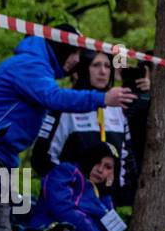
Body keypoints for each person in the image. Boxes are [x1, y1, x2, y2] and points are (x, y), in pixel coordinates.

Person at [0, 25, 134, 231]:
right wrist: (103, 98)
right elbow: (54, 98)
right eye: (74, 52)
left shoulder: (38, 67)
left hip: (3, 158)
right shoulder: (30, 65)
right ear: (60, 47)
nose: (76, 60)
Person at [33, 49, 136, 205]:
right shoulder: (65, 105)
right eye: (96, 65)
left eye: (108, 66)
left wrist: (120, 198)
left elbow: (126, 161)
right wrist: (67, 189)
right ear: (83, 69)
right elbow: (42, 157)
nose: (102, 71)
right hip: (68, 200)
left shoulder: (119, 109)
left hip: (105, 204)